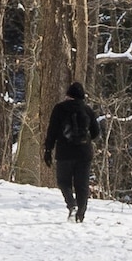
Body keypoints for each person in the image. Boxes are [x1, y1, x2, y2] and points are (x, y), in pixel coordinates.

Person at [43, 81, 100, 222]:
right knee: (82, 185)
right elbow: (96, 132)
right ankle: (80, 214)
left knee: (63, 182)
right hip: (84, 153)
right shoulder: (88, 110)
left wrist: (48, 149)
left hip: (64, 153)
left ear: (68, 95)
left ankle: (71, 205)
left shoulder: (59, 109)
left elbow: (52, 131)